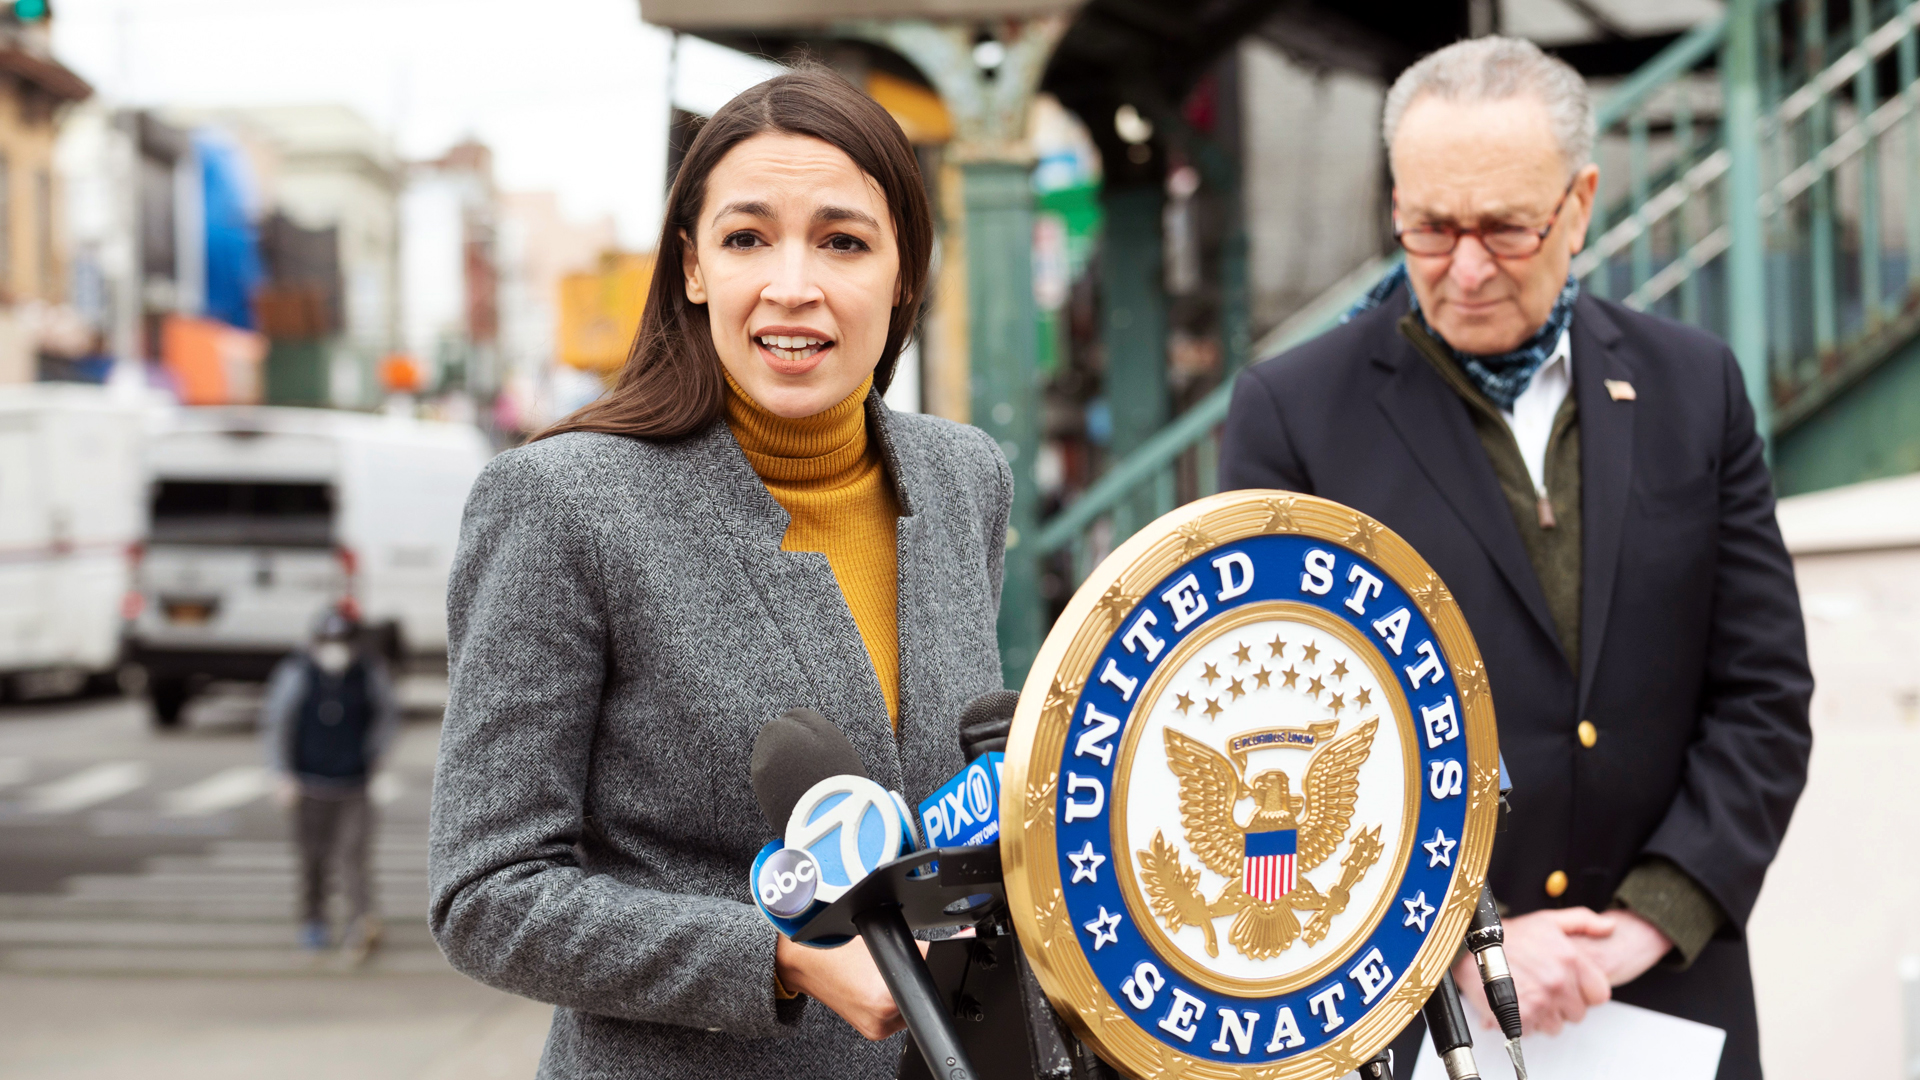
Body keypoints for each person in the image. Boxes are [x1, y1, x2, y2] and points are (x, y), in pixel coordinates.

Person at [1219, 37, 1811, 1080]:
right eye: (1432, 229)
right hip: (1409, 1019)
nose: (1469, 267)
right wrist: (1463, 942)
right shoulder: (1292, 415)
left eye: (1505, 227)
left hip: (1673, 995)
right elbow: (1267, 736)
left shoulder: (1694, 386)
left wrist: (1652, 920)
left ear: (1579, 206)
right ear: (1396, 202)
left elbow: (1762, 694)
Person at [427, 67, 1011, 1080]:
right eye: (748, 240)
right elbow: (487, 891)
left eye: (843, 241)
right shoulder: (563, 504)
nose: (794, 285)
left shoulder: (965, 478)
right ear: (692, 267)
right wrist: (782, 956)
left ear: (906, 272)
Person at [262, 608, 399, 958]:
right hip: (308, 784)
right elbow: (278, 724)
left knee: (353, 857)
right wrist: (281, 773)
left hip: (354, 784)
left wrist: (376, 756)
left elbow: (386, 716)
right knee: (312, 859)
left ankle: (361, 922)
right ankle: (313, 920)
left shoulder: (369, 673)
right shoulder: (297, 673)